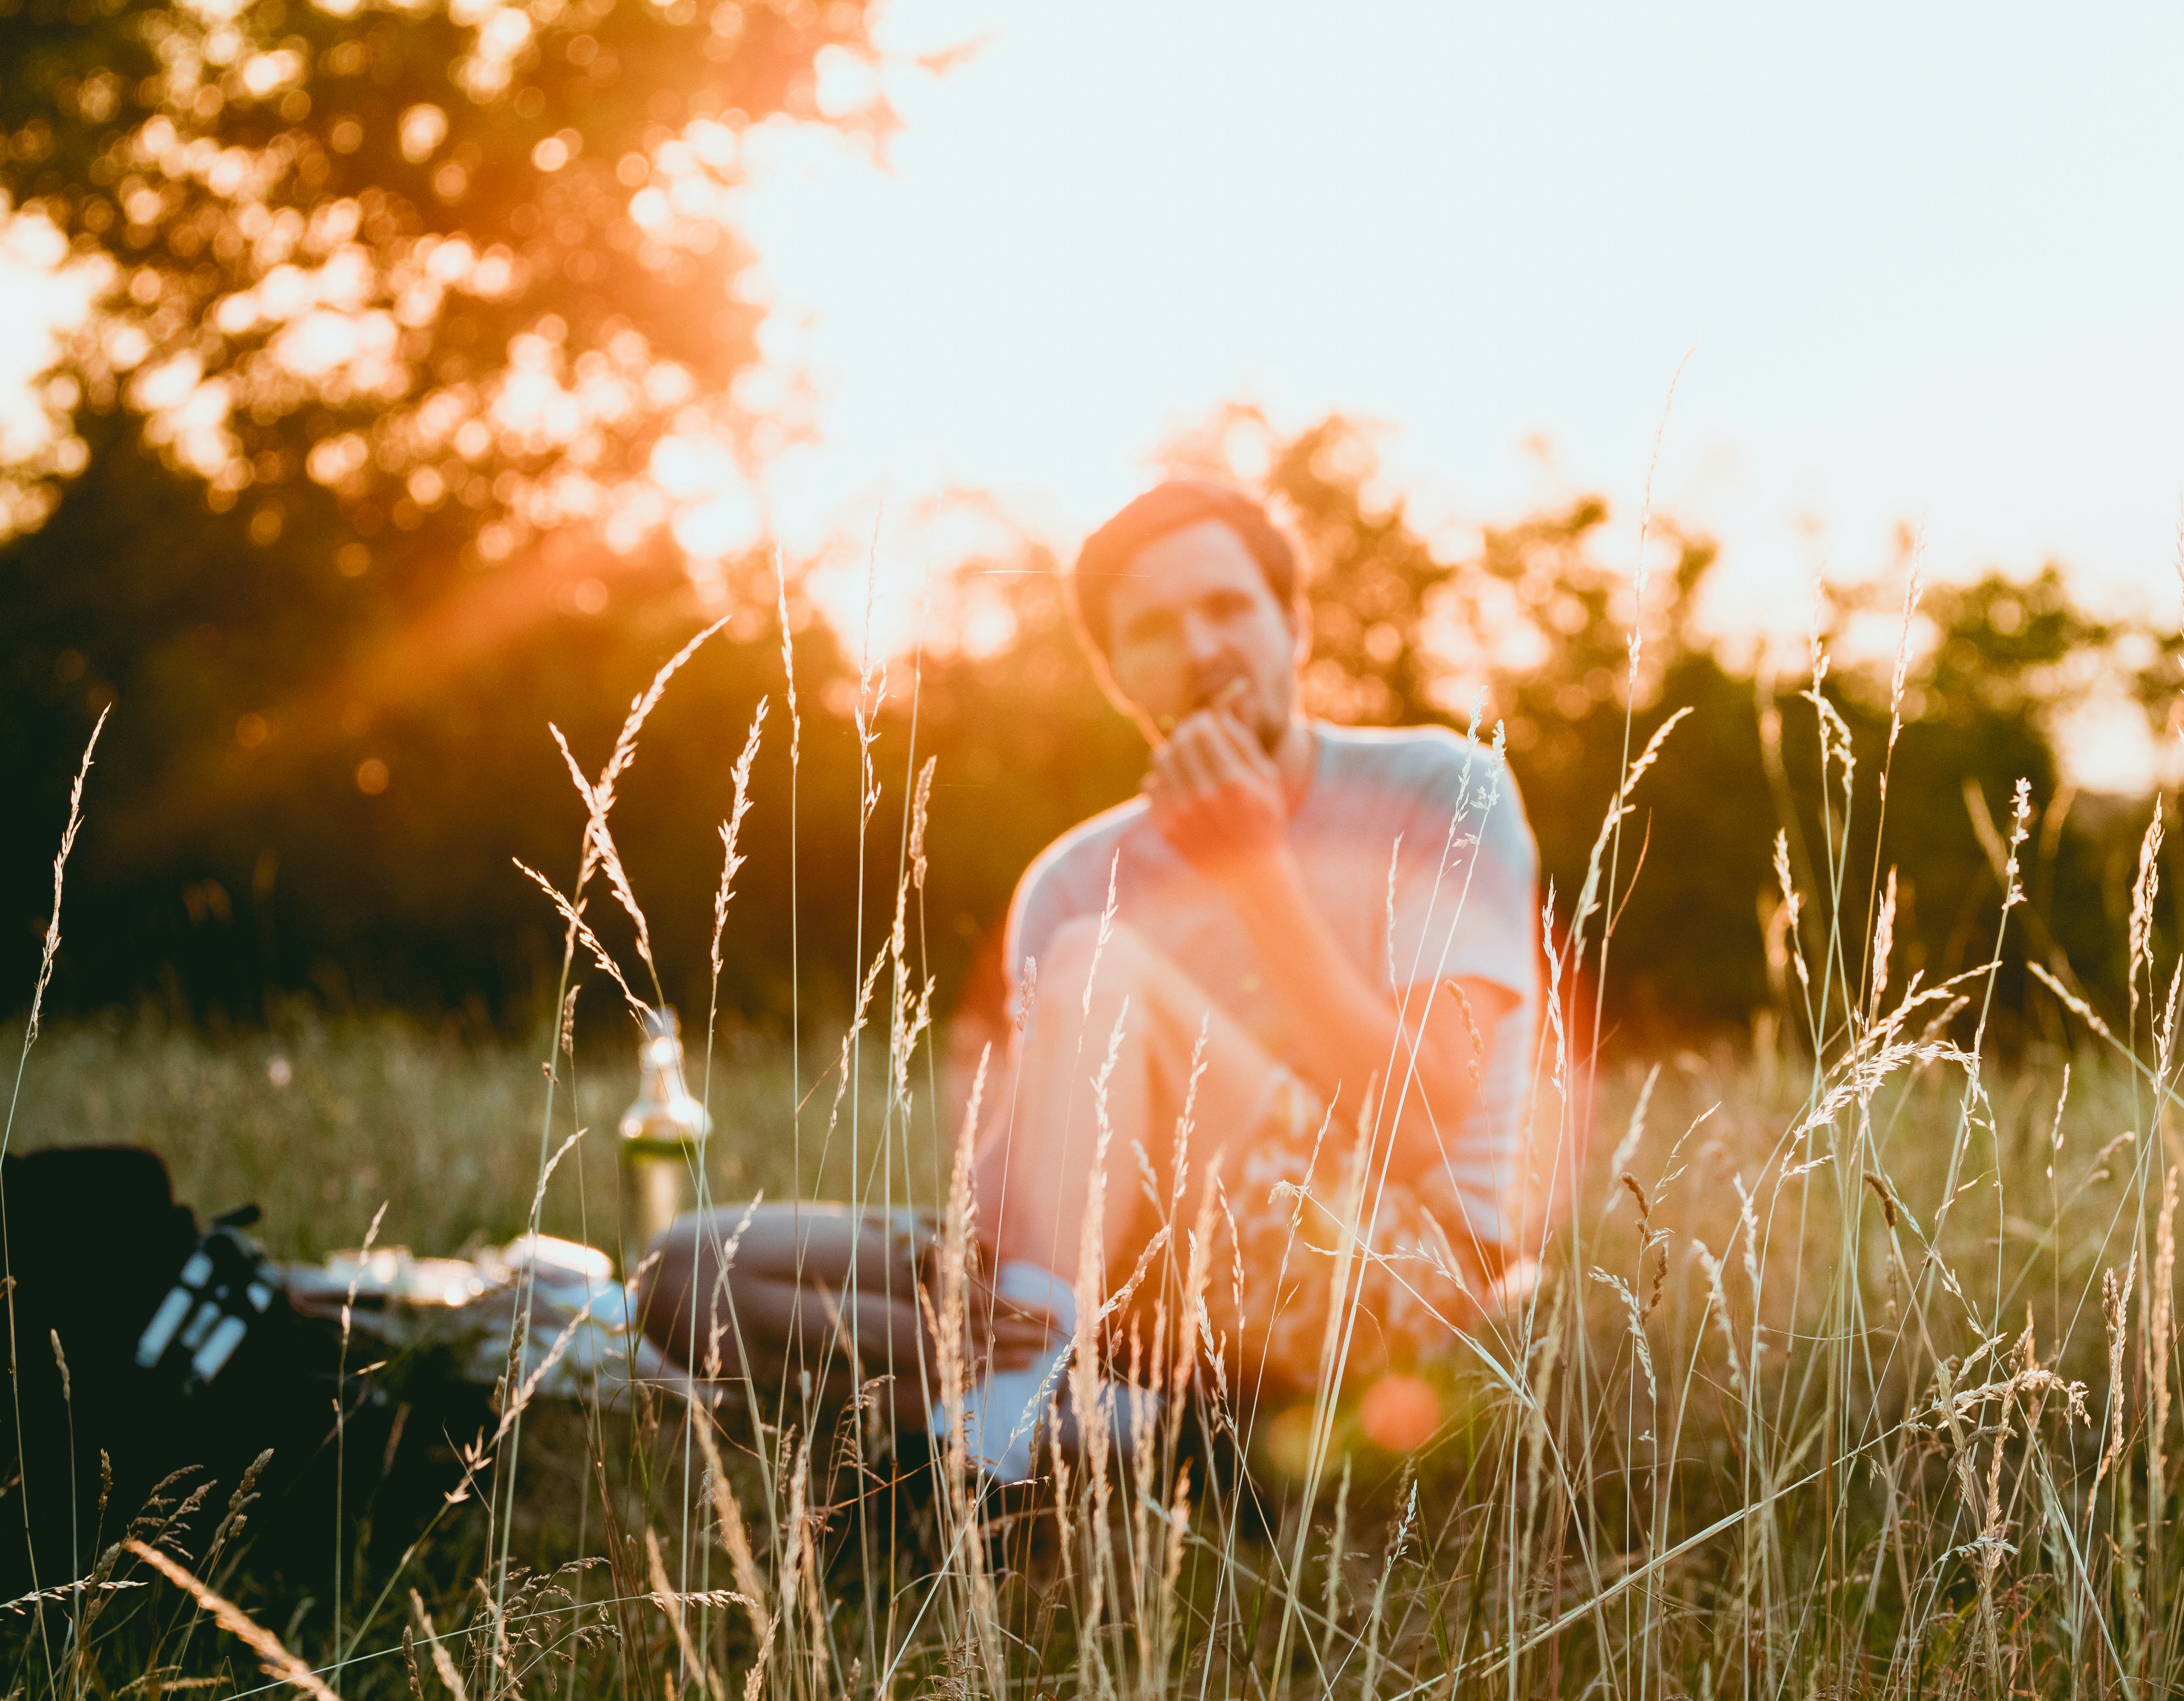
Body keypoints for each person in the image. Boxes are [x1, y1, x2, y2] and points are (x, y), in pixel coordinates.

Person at [640, 481, 1542, 1480]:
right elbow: (1038, 1160)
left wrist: (1252, 870)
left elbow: (1426, 1121)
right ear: (1119, 676)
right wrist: (969, 1267)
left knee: (1098, 960)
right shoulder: (1075, 874)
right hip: (1119, 1286)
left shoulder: (1437, 787)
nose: (1201, 647)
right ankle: (1118, 1412)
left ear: (1295, 625)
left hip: (1393, 1268)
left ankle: (1004, 1434)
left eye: (1229, 607)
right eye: (1154, 630)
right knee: (689, 1270)